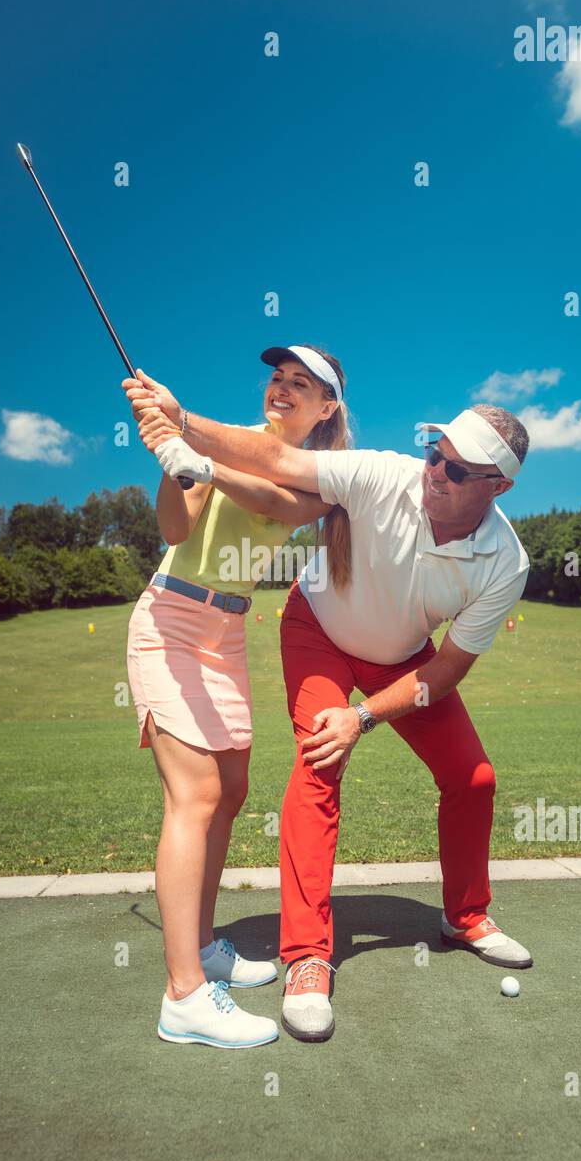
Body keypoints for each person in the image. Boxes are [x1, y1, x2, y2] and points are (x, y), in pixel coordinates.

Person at [127, 357, 532, 1044]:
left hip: (403, 662)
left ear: (495, 489)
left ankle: (464, 916)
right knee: (318, 762)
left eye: (456, 471)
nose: (435, 472)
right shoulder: (381, 473)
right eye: (435, 453)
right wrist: (183, 427)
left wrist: (366, 714)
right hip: (315, 629)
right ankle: (307, 957)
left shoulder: (504, 562)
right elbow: (273, 462)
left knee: (474, 777)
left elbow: (450, 669)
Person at [125, 345, 354, 1048]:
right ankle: (184, 996)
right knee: (192, 796)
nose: (281, 388)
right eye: (277, 378)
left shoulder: (321, 476)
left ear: (326, 409)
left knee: (230, 790)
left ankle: (201, 944)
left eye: (301, 384)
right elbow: (173, 528)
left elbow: (279, 499)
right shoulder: (211, 439)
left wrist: (196, 447)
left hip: (225, 631)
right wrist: (171, 459)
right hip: (169, 619)